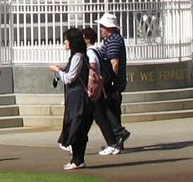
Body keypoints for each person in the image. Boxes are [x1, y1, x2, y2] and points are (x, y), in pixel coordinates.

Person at [48, 27, 93, 170]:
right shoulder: (78, 57)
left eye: (66, 40)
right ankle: (76, 159)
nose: (65, 43)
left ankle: (78, 159)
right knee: (75, 127)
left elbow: (69, 78)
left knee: (76, 127)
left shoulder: (77, 57)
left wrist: (57, 71)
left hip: (78, 97)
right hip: (75, 97)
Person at [82, 26, 121, 156]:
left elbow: (93, 71)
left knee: (100, 116)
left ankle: (114, 142)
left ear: (86, 40)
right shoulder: (96, 49)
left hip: (96, 90)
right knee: (94, 117)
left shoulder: (90, 52)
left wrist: (93, 88)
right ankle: (74, 141)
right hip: (98, 89)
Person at [98, 12, 131, 151]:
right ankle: (117, 140)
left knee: (108, 110)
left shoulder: (112, 41)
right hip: (117, 83)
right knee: (114, 110)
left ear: (108, 27)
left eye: (102, 26)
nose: (100, 29)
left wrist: (109, 81)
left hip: (113, 84)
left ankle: (119, 134)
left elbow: (114, 63)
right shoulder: (116, 39)